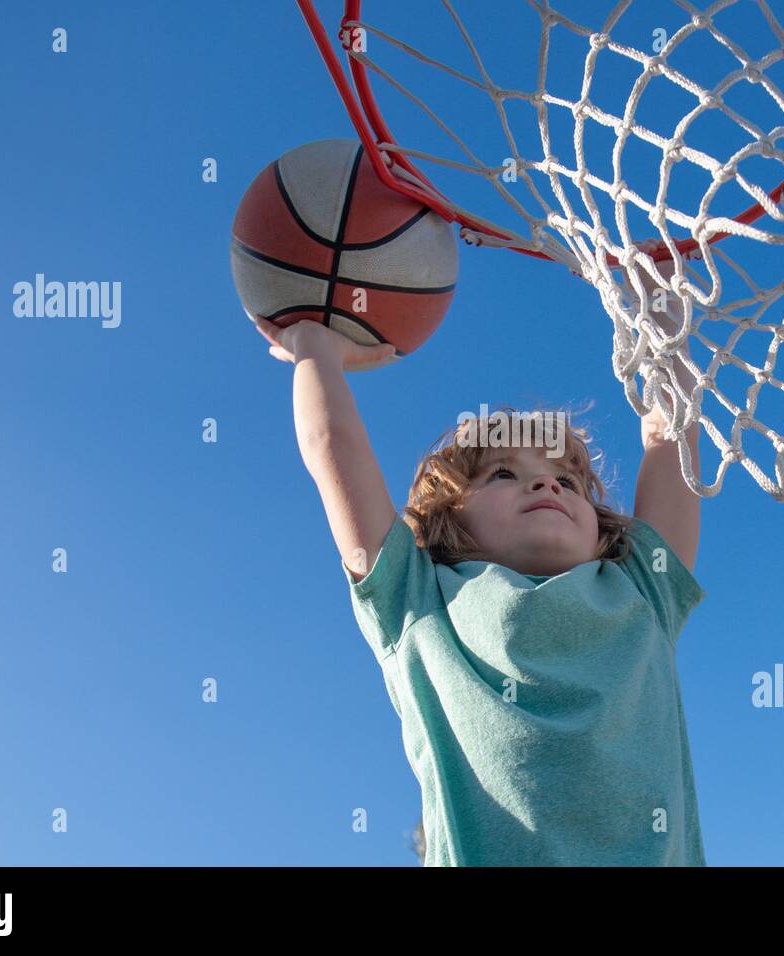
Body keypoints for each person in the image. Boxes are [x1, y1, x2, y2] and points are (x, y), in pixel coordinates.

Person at [253, 249, 708, 865]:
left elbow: (671, 437)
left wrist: (663, 322)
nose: (547, 484)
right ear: (449, 518)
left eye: (567, 482)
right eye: (503, 473)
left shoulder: (642, 589)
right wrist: (316, 348)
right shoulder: (418, 600)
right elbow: (332, 446)